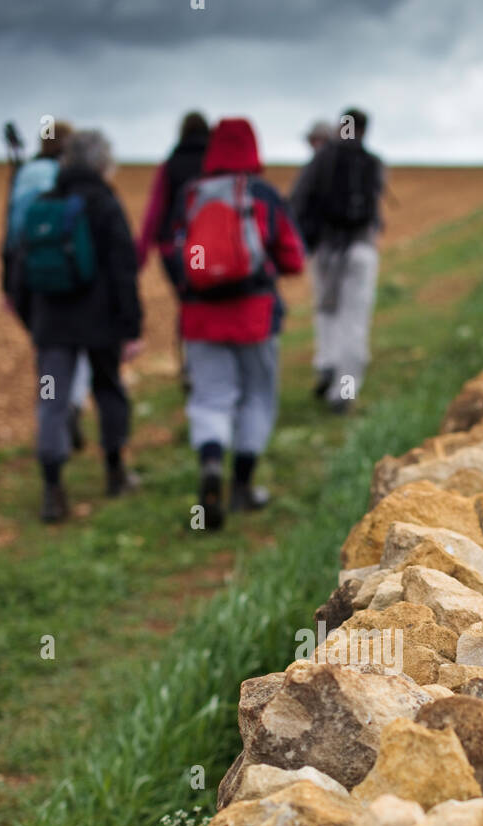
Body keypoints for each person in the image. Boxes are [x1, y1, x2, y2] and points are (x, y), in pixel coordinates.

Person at [173, 117, 305, 530]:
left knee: (210, 398)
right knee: (256, 396)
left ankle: (212, 466)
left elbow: (177, 253)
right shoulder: (261, 194)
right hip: (254, 314)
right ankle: (243, 488)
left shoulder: (190, 195)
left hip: (200, 316)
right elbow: (293, 258)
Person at [12, 129, 144, 522]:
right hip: (99, 323)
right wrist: (131, 324)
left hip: (51, 324)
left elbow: (21, 271)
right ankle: (116, 471)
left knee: (51, 402)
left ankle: (52, 490)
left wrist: (31, 320)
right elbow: (124, 267)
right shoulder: (105, 203)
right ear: (103, 163)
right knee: (108, 390)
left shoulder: (44, 204)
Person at [1, 120, 91, 449]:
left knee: (48, 357)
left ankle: (52, 409)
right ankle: (74, 404)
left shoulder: (24, 176)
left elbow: (9, 234)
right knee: (79, 352)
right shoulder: (67, 178)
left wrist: (7, 285)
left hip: (31, 280)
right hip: (71, 282)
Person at [290, 108, 384, 413]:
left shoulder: (322, 159)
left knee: (327, 311)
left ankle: (326, 365)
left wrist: (305, 241)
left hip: (327, 251)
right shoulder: (373, 163)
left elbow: (298, 201)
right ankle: (343, 392)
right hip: (361, 248)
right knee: (354, 323)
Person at [136, 112, 210, 288]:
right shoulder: (215, 165)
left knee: (189, 297)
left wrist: (140, 256)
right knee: (207, 298)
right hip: (208, 246)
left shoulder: (170, 165)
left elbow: (155, 211)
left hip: (175, 246)